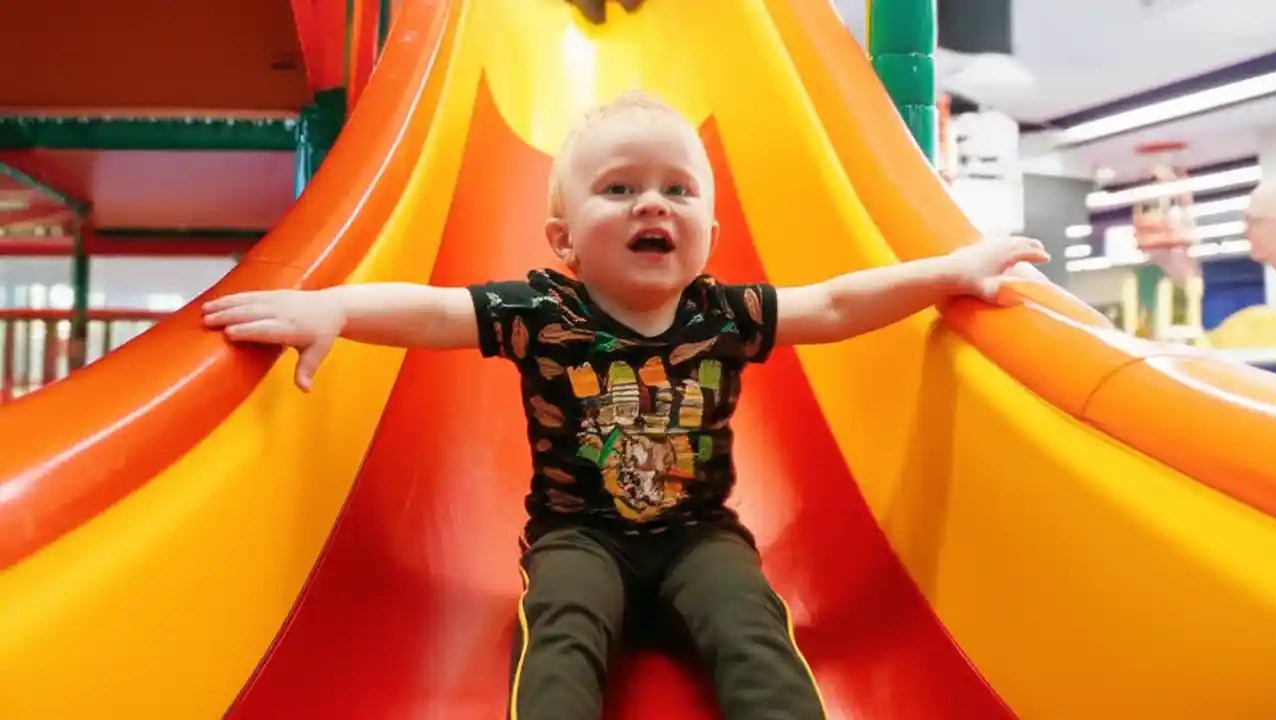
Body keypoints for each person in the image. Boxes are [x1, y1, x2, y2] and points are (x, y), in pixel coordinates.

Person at [202, 91, 1048, 719]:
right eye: (620, 190)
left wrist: (947, 272)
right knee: (562, 628)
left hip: (698, 535)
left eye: (678, 190)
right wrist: (336, 310)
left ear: (709, 237)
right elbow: (433, 312)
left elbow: (833, 305)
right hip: (581, 535)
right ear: (564, 240)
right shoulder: (542, 313)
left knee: (750, 626)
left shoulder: (723, 315)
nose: (653, 203)